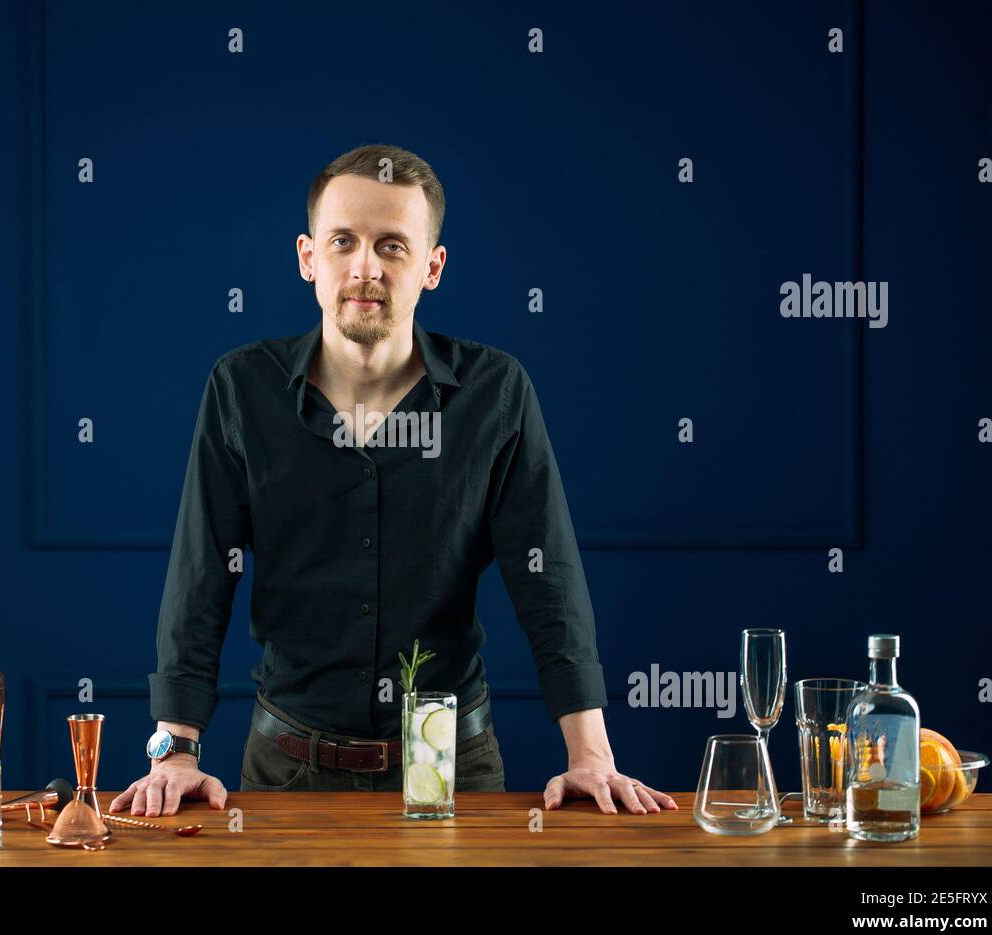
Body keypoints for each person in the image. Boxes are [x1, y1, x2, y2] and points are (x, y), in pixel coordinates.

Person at [111, 144, 677, 817]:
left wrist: (591, 756)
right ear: (307, 258)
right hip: (286, 773)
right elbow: (201, 578)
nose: (365, 267)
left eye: (392, 246)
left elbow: (546, 578)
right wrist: (174, 752)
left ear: (432, 267)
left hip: (450, 767)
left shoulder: (496, 391)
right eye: (343, 241)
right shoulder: (240, 387)